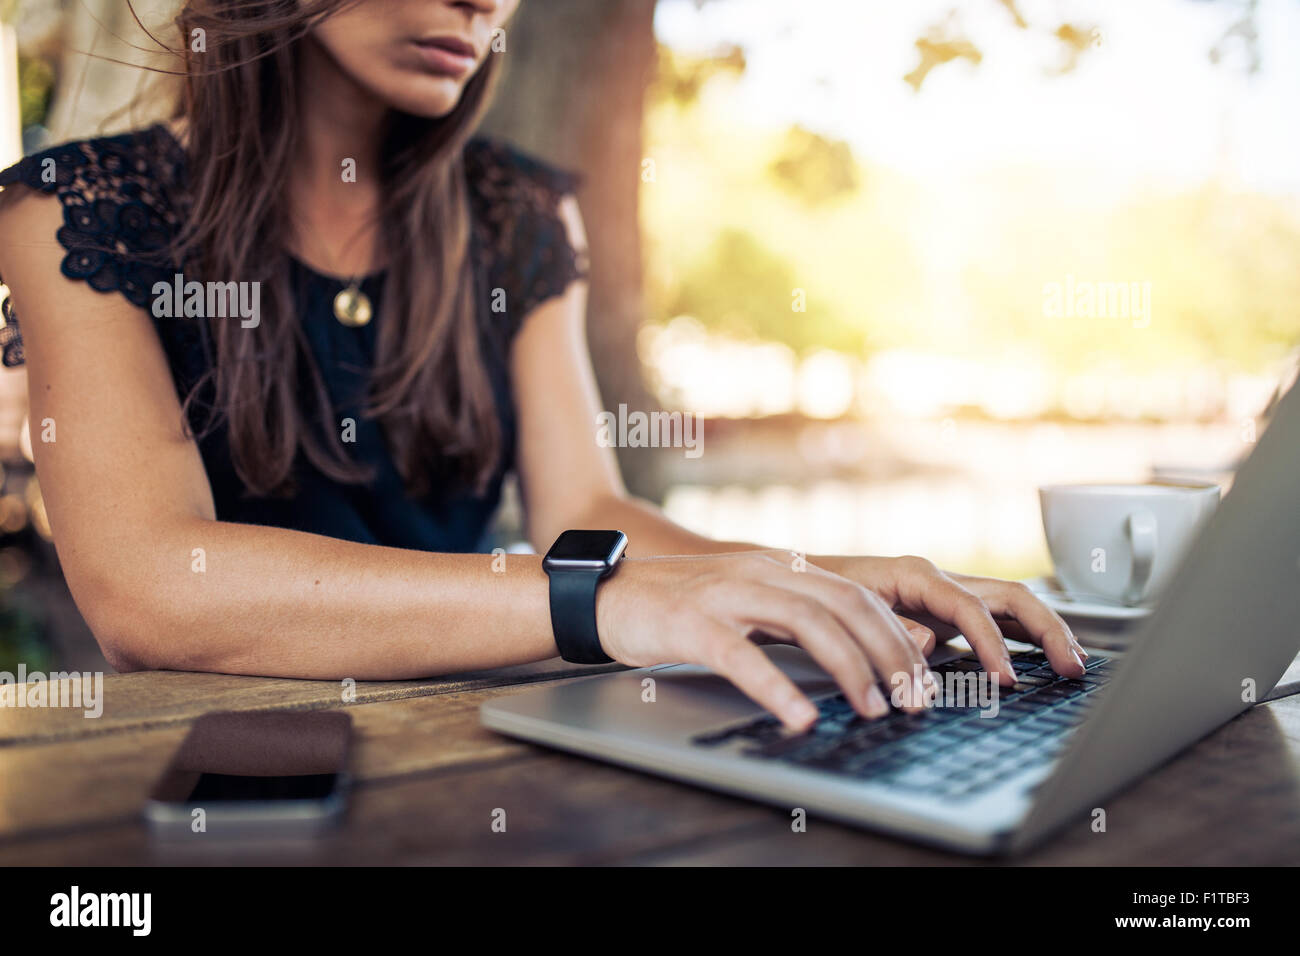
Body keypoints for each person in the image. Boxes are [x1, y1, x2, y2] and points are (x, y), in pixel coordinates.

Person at [0, 0, 1085, 732]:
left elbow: (588, 508)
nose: (482, 0)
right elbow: (149, 584)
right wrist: (595, 601)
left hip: (473, 739)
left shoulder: (520, 212)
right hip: (217, 774)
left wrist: (815, 576)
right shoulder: (77, 206)